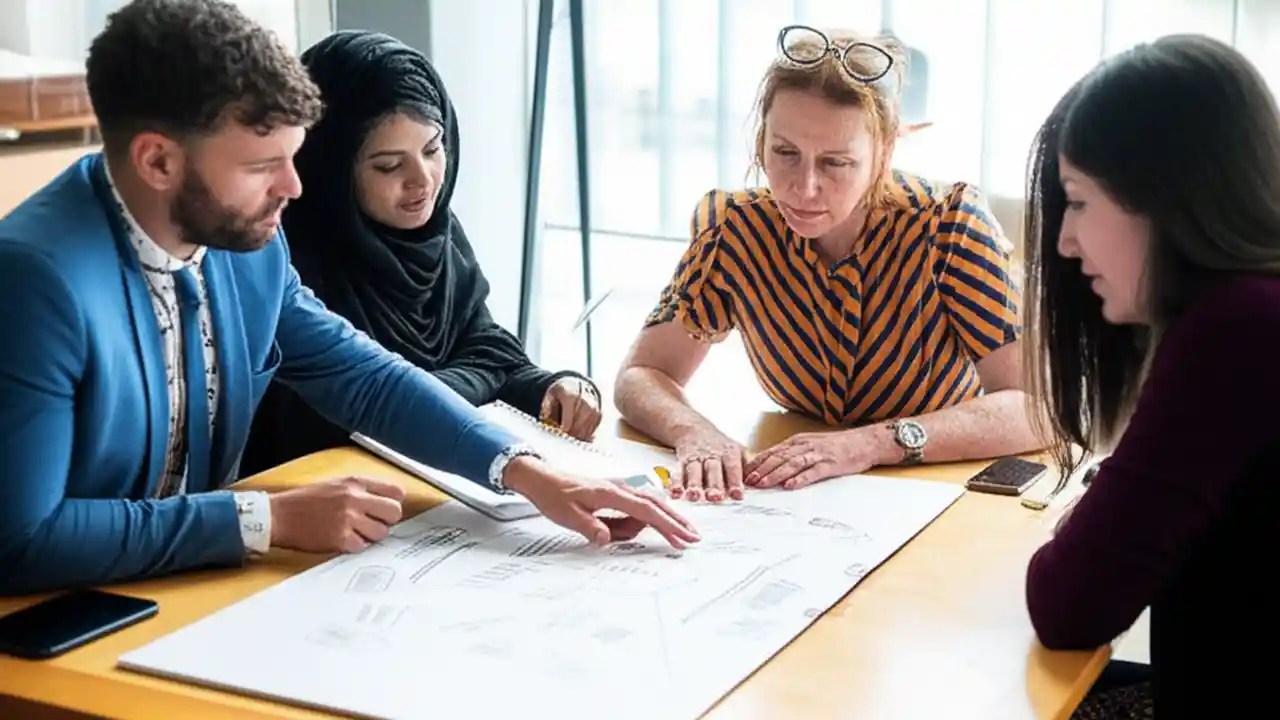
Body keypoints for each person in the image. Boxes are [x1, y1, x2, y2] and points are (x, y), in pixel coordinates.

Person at [0, 0, 696, 597]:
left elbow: (366, 380)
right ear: (157, 161)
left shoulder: (248, 246)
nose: (295, 189)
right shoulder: (37, 281)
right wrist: (262, 520)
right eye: (261, 166)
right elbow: (20, 539)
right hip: (53, 618)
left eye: (293, 158)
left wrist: (527, 472)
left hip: (181, 589)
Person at [615, 25, 1040, 502]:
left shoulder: (949, 226)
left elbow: (1035, 406)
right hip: (799, 500)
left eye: (836, 162)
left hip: (930, 493)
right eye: (785, 153)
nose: (804, 187)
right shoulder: (732, 228)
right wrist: (694, 431)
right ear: (761, 141)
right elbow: (643, 374)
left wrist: (871, 443)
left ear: (883, 154)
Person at [1021, 34, 1280, 716]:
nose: (1064, 243)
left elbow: (1069, 601)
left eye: (1077, 201)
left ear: (1161, 196)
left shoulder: (1239, 330)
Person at [241, 31, 601, 479]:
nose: (423, 180)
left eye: (433, 149)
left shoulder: (436, 234)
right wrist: (461, 384)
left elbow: (486, 346)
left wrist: (549, 388)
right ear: (329, 168)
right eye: (388, 166)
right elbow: (355, 415)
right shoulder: (280, 261)